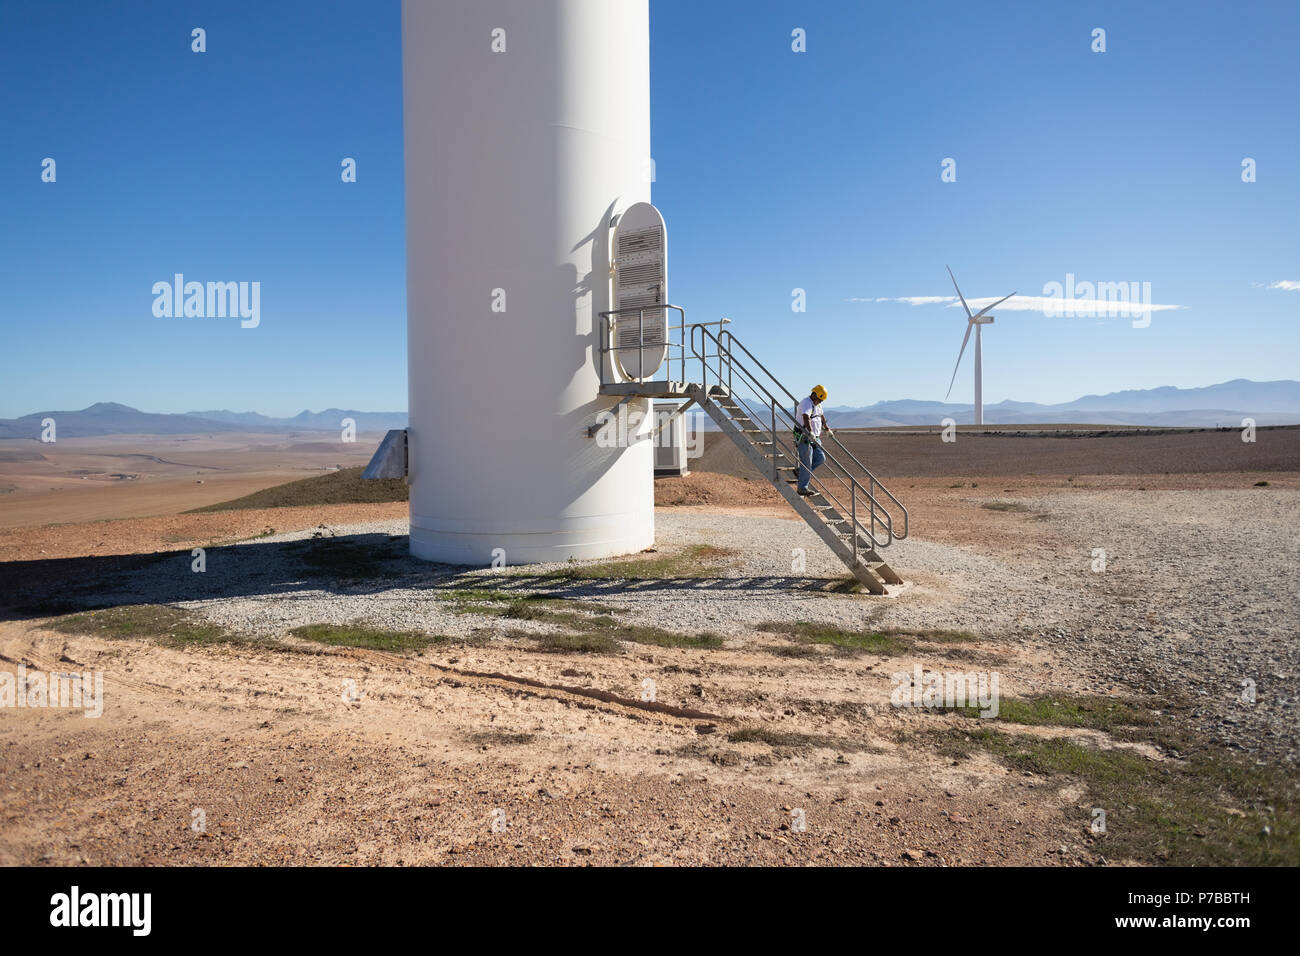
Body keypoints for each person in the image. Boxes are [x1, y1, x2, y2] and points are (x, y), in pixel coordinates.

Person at [795, 385, 833, 496]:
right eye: (819, 399)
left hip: (815, 437)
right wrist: (810, 431)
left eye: (821, 400)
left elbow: (821, 416)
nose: (819, 401)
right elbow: (806, 417)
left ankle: (800, 472)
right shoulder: (806, 402)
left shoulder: (818, 404)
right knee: (807, 462)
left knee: (821, 458)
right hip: (805, 436)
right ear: (814, 394)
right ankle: (802, 487)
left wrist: (827, 428)